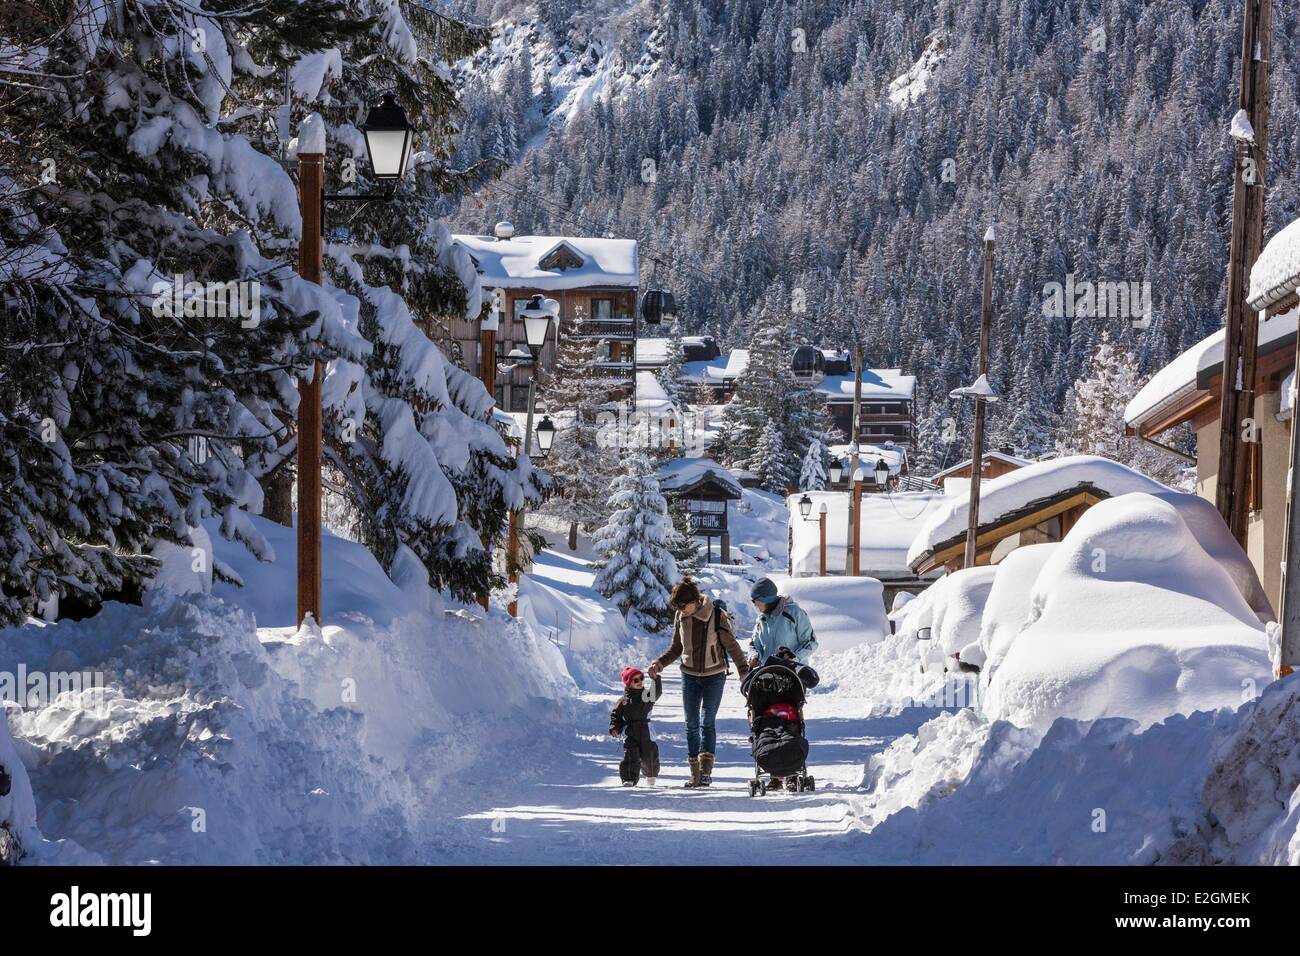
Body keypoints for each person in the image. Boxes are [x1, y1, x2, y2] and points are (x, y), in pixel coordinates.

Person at [648, 579, 750, 788]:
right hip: (689, 675)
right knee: (691, 724)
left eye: (683, 606)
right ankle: (694, 773)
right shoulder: (680, 617)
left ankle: (706, 772)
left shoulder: (715, 615)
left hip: (714, 675)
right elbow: (676, 647)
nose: (681, 611)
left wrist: (743, 671)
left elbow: (731, 645)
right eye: (678, 608)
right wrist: (660, 663)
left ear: (694, 601)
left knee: (707, 721)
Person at [748, 578, 818, 668]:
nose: (754, 604)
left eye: (754, 600)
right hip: (768, 675)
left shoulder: (794, 613)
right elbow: (754, 644)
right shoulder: (762, 619)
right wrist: (754, 656)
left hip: (793, 673)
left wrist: (793, 657)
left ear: (765, 599)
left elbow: (811, 642)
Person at [609, 667, 662, 787]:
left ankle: (651, 774)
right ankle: (629, 778)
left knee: (649, 755)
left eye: (641, 679)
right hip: (631, 731)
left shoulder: (647, 695)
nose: (639, 682)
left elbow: (657, 692)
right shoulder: (623, 701)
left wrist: (655, 679)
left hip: (646, 730)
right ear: (628, 683)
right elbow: (615, 716)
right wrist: (614, 727)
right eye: (635, 680)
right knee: (630, 755)